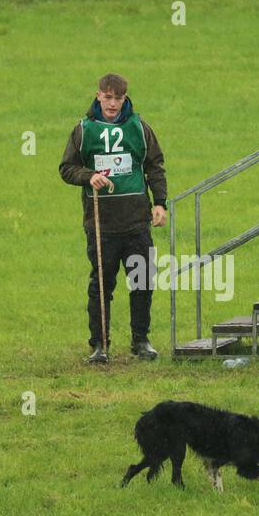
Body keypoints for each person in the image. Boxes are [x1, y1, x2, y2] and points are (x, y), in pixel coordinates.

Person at [59, 73, 168, 364]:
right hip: (101, 223)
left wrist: (160, 203)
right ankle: (99, 345)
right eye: (107, 97)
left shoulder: (139, 128)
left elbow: (154, 165)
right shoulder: (84, 130)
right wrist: (89, 176)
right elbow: (67, 168)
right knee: (102, 284)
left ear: (125, 98)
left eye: (118, 98)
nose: (112, 103)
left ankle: (141, 340)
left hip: (136, 221)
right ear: (98, 96)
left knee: (143, 280)